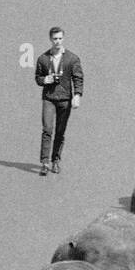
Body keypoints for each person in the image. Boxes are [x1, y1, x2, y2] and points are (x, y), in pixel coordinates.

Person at [34, 26, 83, 175]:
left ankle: (56, 161)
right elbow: (37, 78)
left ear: (63, 38)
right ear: (50, 39)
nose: (57, 41)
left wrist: (77, 95)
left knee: (60, 132)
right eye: (55, 39)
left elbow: (78, 78)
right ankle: (44, 163)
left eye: (60, 38)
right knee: (47, 129)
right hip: (49, 98)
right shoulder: (43, 58)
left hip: (65, 100)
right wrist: (45, 80)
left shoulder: (72, 58)